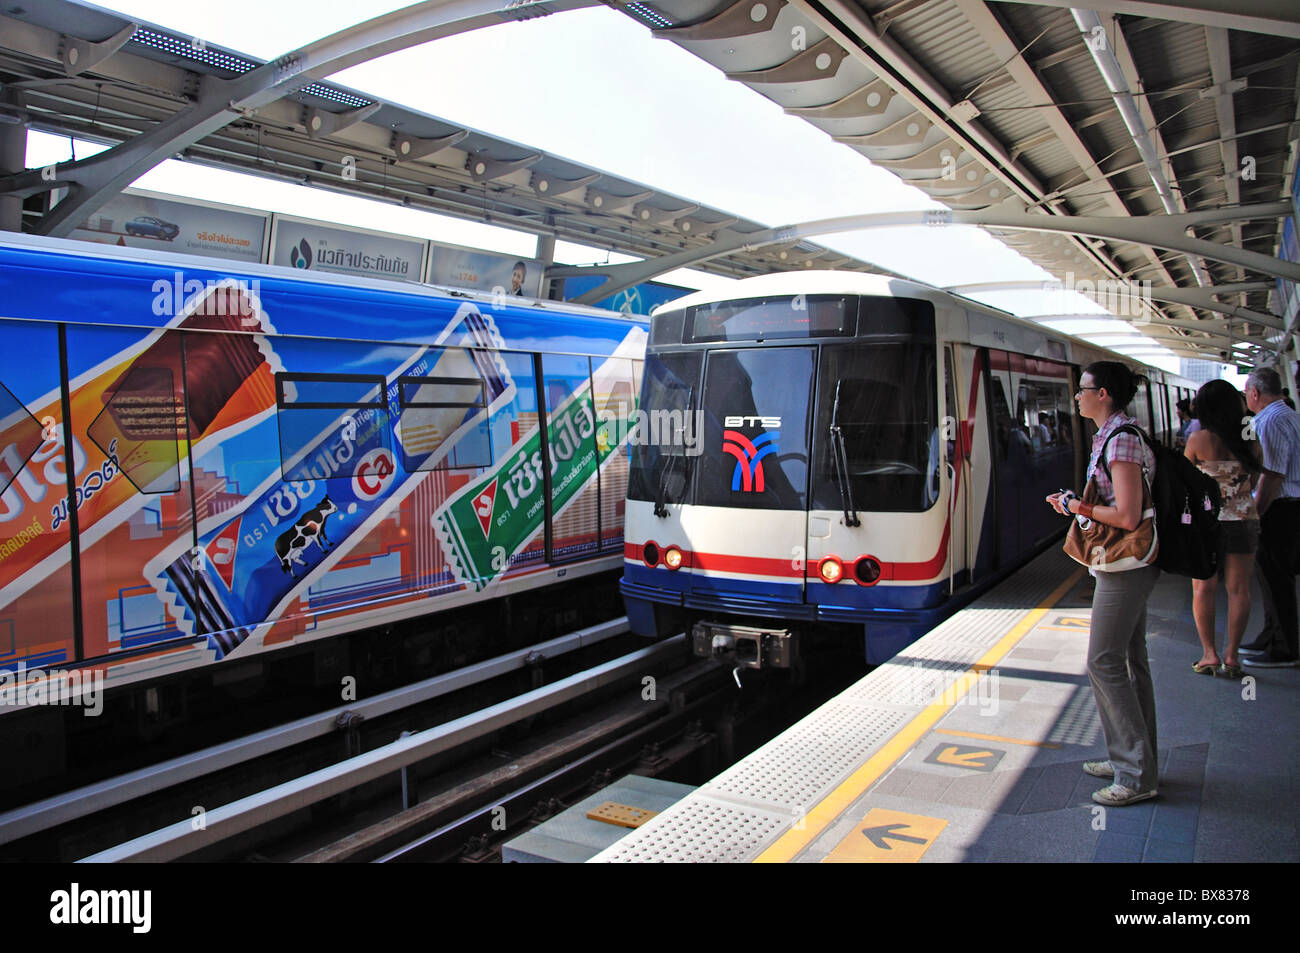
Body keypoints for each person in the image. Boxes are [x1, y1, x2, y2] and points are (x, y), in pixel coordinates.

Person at [1045, 362, 1160, 806]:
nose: (1077, 396)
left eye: (1084, 389)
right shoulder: (1111, 437)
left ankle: (1135, 775)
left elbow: (1128, 516)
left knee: (1104, 662)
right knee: (1130, 662)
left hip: (1126, 566)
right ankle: (1133, 760)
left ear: (1104, 394)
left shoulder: (1122, 441)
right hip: (1120, 564)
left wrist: (1079, 506)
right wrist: (1074, 506)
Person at [1183, 381, 1261, 679]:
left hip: (1208, 524)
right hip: (1243, 520)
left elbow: (1187, 482)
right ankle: (1232, 657)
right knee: (1239, 590)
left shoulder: (1198, 439)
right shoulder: (1250, 438)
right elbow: (1252, 482)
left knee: (1203, 588)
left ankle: (1209, 655)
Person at [1239, 366, 1300, 668]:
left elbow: (1273, 474)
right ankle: (1270, 635)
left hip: (1280, 507)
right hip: (1289, 507)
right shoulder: (1289, 415)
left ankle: (1284, 649)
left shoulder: (1271, 421)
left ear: (1255, 393)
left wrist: (1257, 514)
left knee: (1276, 578)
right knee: (1272, 577)